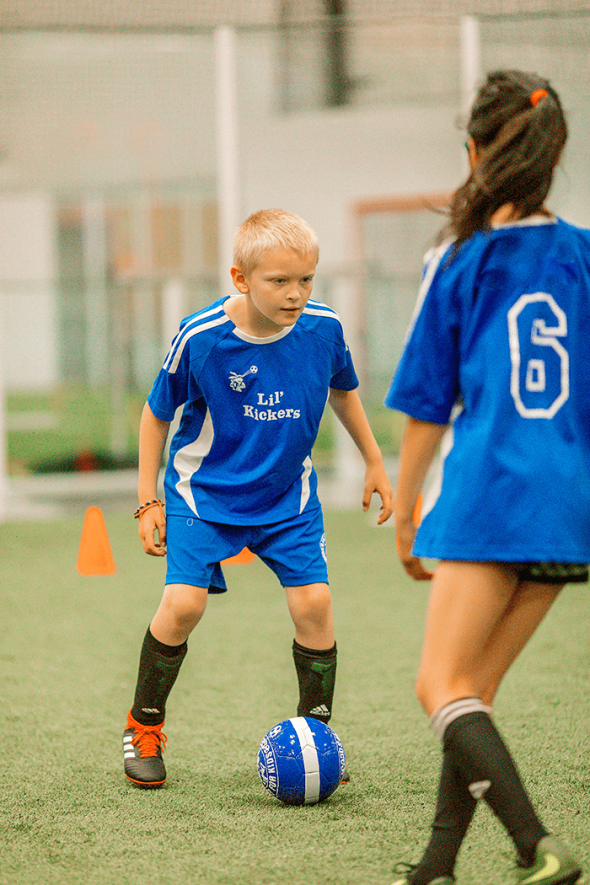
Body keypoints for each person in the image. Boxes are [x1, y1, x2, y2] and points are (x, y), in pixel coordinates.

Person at [385, 70, 587, 885]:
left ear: (473, 152)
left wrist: (405, 513)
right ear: (553, 154)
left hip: (492, 493)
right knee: (471, 694)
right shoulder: (582, 255)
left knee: (438, 682)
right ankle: (437, 866)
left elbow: (428, 404)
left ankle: (538, 845)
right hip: (569, 503)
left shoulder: (460, 259)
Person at [123, 208, 394, 788]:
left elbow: (343, 392)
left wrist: (374, 460)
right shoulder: (201, 338)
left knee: (315, 606)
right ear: (241, 278)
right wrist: (148, 502)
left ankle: (316, 735)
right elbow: (155, 416)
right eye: (280, 281)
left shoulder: (324, 329)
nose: (296, 294)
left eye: (306, 279)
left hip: (286, 500)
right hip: (203, 497)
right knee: (184, 605)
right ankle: (144, 726)